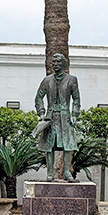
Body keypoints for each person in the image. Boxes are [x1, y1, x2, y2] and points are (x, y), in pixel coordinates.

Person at [34, 53, 80, 181]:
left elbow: (76, 99)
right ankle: (50, 173)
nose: (55, 64)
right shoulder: (47, 80)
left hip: (65, 116)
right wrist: (41, 114)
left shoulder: (72, 79)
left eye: (58, 62)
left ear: (63, 64)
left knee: (67, 145)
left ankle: (67, 172)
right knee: (49, 146)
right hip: (50, 117)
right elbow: (38, 98)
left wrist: (75, 115)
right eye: (53, 62)